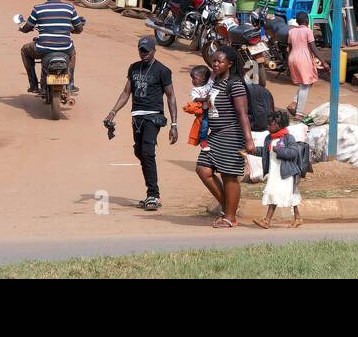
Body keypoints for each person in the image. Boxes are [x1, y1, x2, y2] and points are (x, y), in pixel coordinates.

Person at [105, 36, 178, 212]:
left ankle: (153, 194)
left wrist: (174, 124)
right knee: (140, 152)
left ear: (154, 50)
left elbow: (171, 96)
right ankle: (151, 187)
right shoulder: (133, 68)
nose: (143, 54)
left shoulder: (163, 70)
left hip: (153, 117)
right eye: (141, 50)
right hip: (136, 117)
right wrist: (113, 112)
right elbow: (126, 93)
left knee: (147, 152)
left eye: (147, 50)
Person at [193, 46, 255, 228]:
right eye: (213, 61)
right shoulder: (216, 82)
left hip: (231, 134)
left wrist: (248, 140)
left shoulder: (235, 84)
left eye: (220, 61)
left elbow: (242, 113)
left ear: (230, 63)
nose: (215, 64)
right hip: (215, 135)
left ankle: (230, 217)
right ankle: (228, 208)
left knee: (229, 175)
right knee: (203, 169)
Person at [19, 0, 84, 95]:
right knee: (72, 53)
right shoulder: (69, 8)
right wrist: (73, 30)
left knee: (24, 50)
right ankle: (71, 84)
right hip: (65, 48)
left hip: (42, 48)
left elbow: (27, 27)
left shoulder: (38, 9)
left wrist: (22, 29)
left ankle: (34, 85)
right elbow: (79, 28)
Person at [254, 108, 311, 229]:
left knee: (274, 192)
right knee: (290, 195)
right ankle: (298, 218)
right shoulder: (269, 138)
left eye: (271, 124)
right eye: (268, 124)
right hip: (274, 171)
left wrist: (278, 150)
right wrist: (252, 150)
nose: (268, 126)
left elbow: (293, 153)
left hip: (286, 172)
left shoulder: (288, 138)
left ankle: (266, 221)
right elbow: (265, 152)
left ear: (279, 125)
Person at [287, 12, 328, 116]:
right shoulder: (307, 31)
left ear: (296, 22)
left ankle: (293, 103)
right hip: (303, 59)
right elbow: (314, 49)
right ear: (307, 21)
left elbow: (290, 48)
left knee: (303, 83)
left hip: (292, 58)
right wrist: (324, 62)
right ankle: (299, 113)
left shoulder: (291, 31)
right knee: (305, 85)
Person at [184, 65, 213, 149]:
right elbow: (195, 98)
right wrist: (204, 99)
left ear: (203, 79)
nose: (192, 81)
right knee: (204, 126)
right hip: (205, 111)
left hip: (215, 110)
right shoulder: (195, 89)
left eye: (194, 78)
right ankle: (203, 140)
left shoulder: (210, 83)